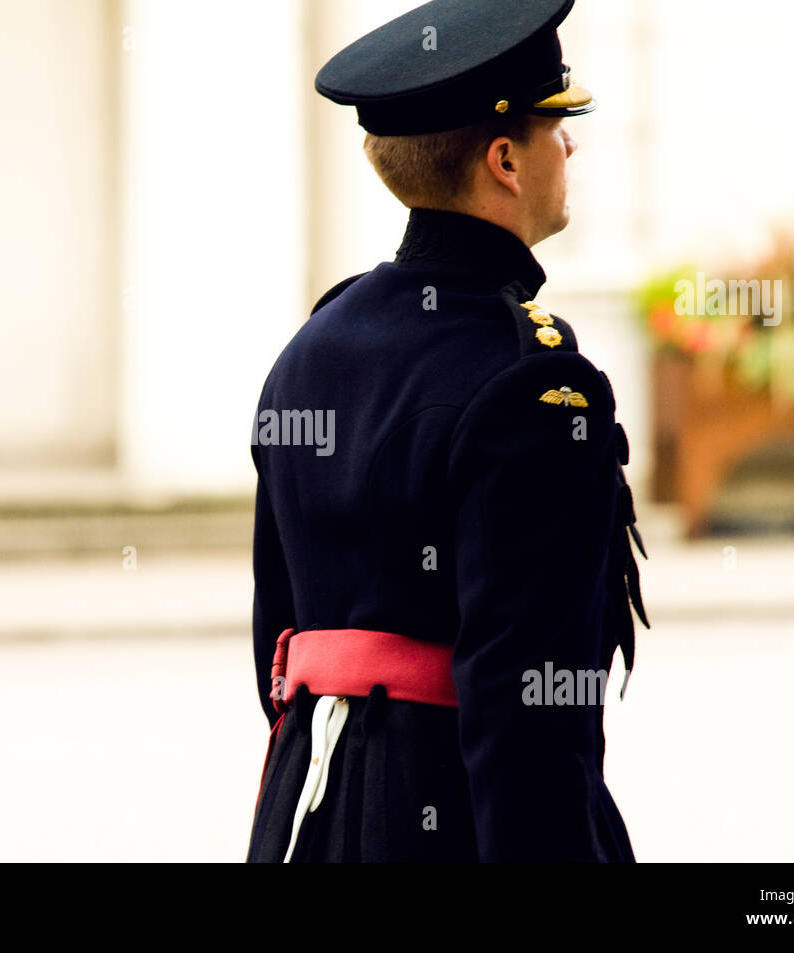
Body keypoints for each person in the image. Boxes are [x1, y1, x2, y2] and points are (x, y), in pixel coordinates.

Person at [246, 0, 649, 863]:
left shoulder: (313, 346)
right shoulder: (536, 385)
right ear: (505, 160)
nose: (569, 147)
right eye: (555, 126)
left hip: (302, 818)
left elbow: (277, 646)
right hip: (453, 821)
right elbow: (528, 714)